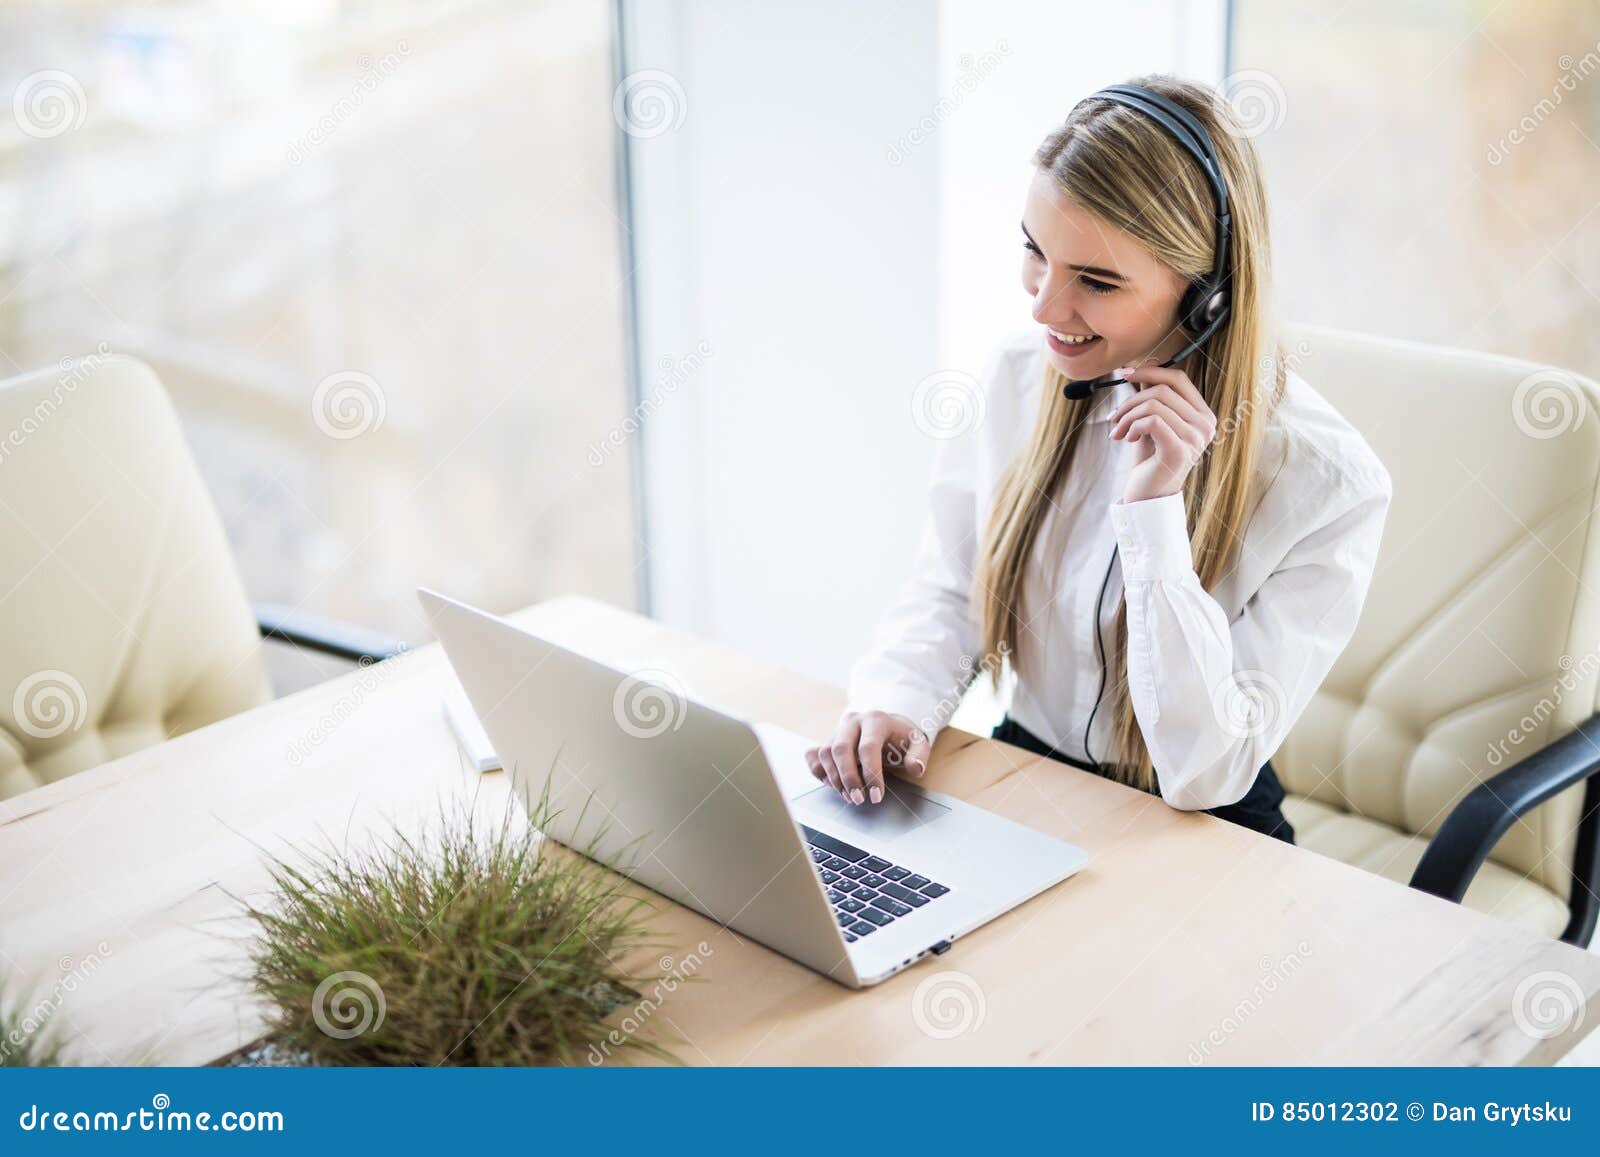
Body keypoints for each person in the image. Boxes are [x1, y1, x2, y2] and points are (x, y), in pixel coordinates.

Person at [802, 73, 1393, 845]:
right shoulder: (1020, 373)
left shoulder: (1329, 486)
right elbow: (952, 588)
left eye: (1097, 280)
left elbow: (1204, 772)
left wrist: (1155, 516)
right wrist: (896, 700)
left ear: (1206, 295)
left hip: (1201, 824)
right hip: (1033, 770)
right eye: (1034, 252)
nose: (1044, 306)